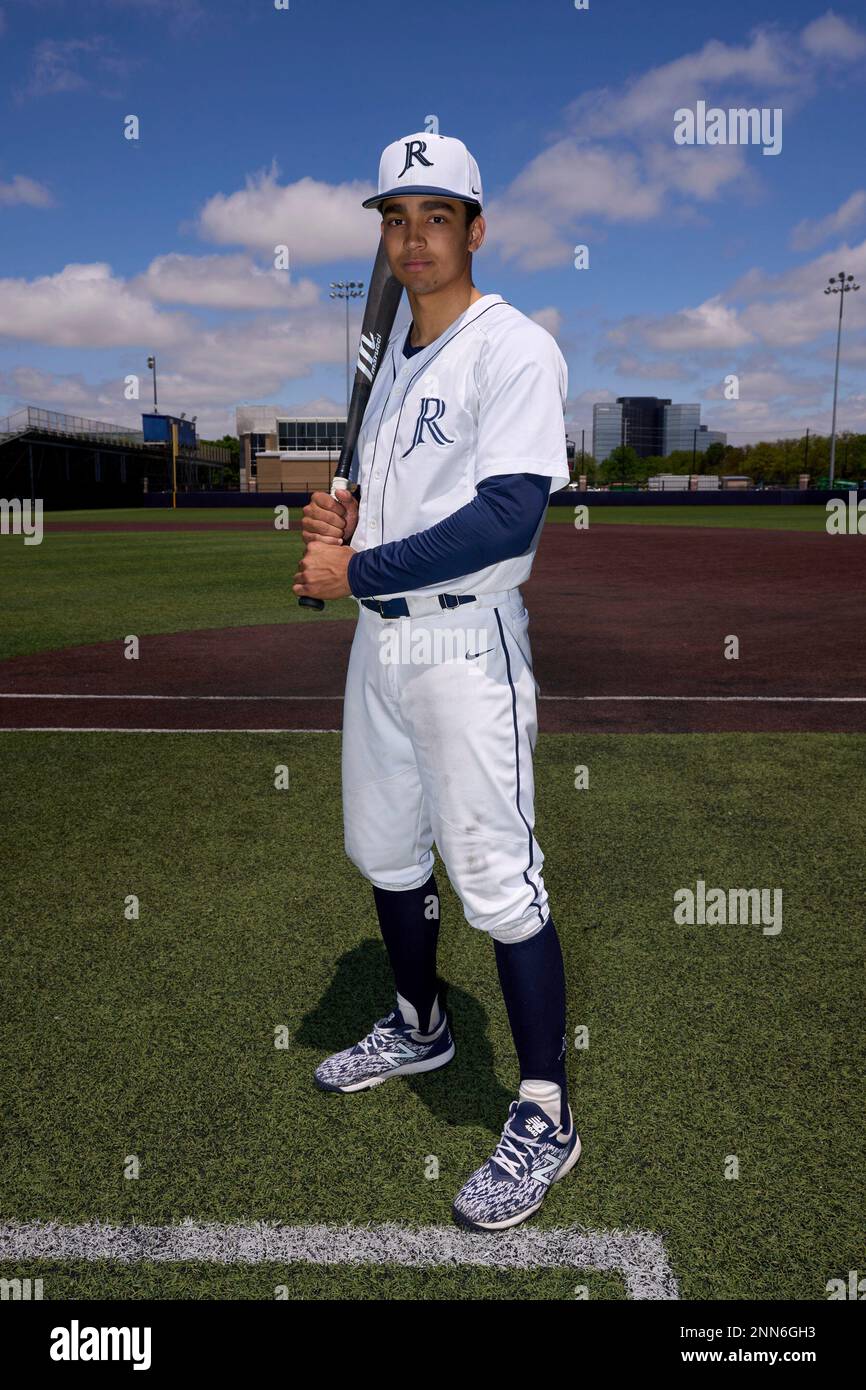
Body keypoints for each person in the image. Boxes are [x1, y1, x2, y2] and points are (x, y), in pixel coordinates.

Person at [293, 131, 580, 1231]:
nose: (411, 239)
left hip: (465, 649)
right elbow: (389, 501)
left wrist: (352, 564)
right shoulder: (396, 360)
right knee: (382, 849)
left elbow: (508, 515)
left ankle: (544, 1109)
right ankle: (419, 1021)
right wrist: (347, 518)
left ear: (474, 227)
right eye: (394, 219)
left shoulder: (514, 347)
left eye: (434, 216)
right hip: (381, 647)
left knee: (499, 881)